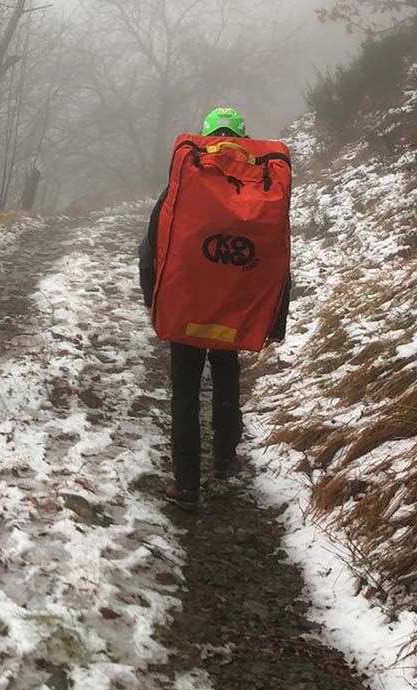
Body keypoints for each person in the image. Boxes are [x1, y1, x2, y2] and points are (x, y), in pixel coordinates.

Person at [139, 108, 290, 511]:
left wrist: (154, 303)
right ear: (244, 140)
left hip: (187, 309)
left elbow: (151, 250)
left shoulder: (183, 187)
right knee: (226, 380)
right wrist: (276, 319)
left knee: (185, 394)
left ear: (206, 139)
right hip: (233, 312)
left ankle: (186, 484)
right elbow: (277, 259)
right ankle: (225, 457)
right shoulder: (261, 194)